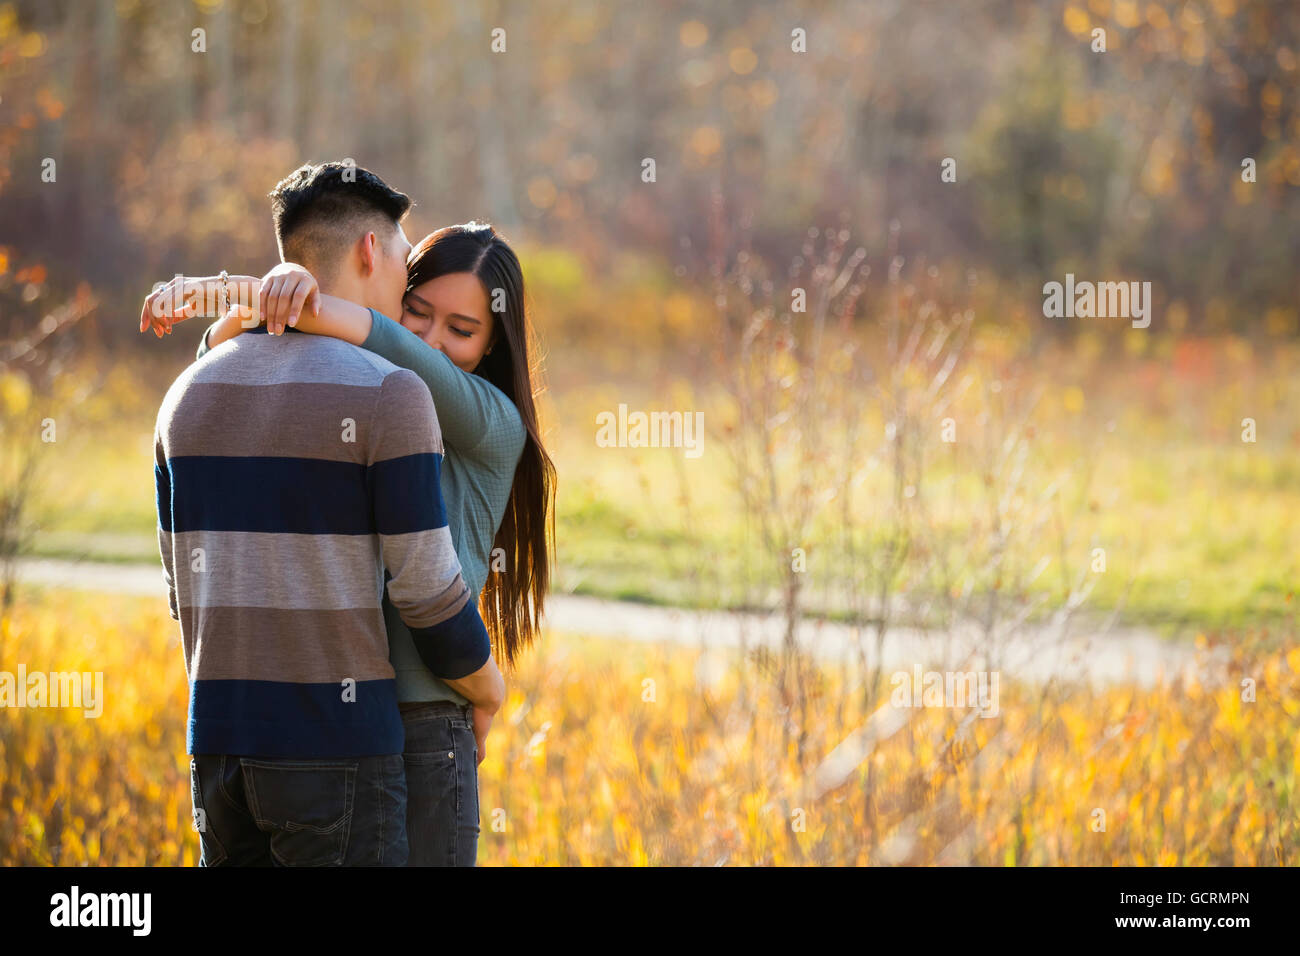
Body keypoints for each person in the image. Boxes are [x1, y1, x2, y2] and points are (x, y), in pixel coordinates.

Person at [143, 184, 553, 867]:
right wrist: (243, 310)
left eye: (461, 330)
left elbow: (384, 339)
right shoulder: (369, 399)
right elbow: (246, 388)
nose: (431, 340)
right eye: (417, 311)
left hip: (427, 721)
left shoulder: (489, 421)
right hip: (347, 725)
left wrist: (243, 294)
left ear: (491, 346)